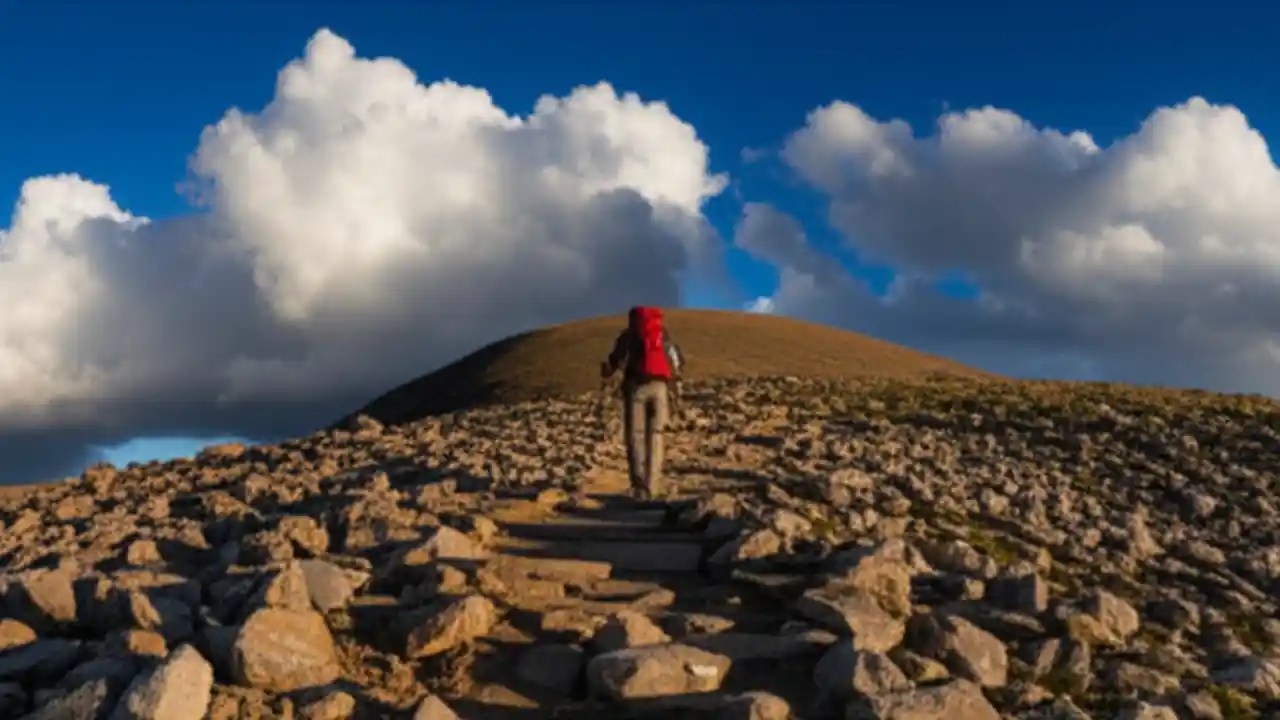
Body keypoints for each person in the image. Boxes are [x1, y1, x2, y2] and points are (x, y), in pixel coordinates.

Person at [600, 306, 684, 499]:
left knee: (636, 436)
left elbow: (616, 361)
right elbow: (676, 361)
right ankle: (653, 485)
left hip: (636, 386)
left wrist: (608, 373)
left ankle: (639, 488)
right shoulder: (662, 334)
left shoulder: (628, 335)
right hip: (660, 388)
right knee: (656, 436)